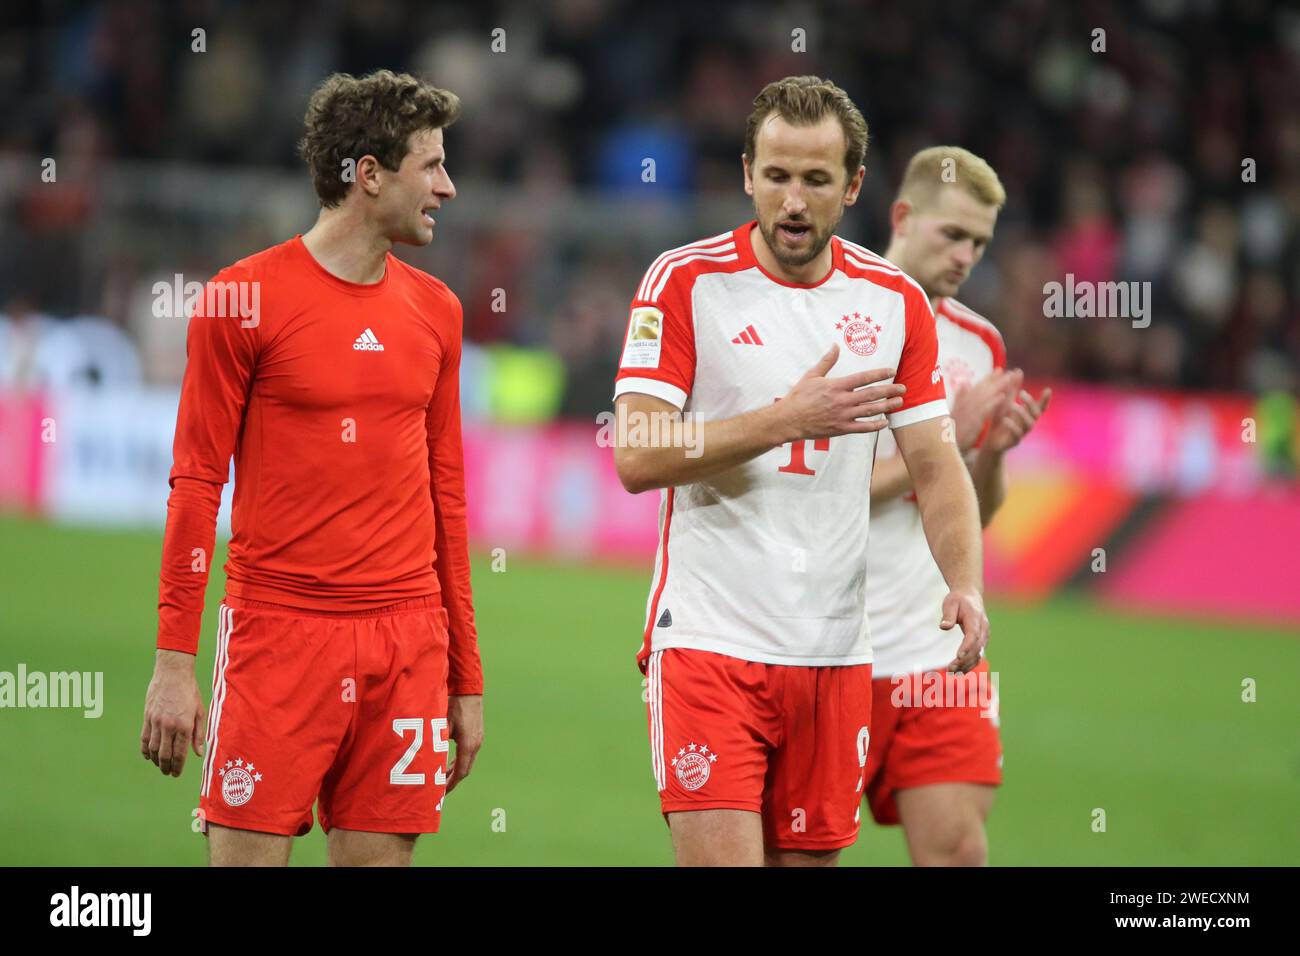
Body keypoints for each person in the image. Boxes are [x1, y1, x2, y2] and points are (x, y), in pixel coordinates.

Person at [612, 76, 989, 867]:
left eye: (816, 180)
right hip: (709, 642)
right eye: (776, 175)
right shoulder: (684, 282)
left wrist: (964, 582)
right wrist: (786, 418)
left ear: (852, 187)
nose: (792, 200)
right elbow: (639, 453)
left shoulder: (893, 303)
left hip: (833, 655)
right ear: (747, 172)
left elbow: (937, 462)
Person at [140, 70, 484, 867]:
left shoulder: (438, 311)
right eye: (430, 166)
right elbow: (195, 484)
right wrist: (172, 662)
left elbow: (449, 497)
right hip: (277, 639)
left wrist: (465, 678)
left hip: (407, 642)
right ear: (369, 174)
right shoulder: (241, 300)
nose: (449, 187)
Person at [861, 146, 1051, 866]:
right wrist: (942, 436)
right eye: (953, 234)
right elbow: (808, 487)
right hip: (824, 646)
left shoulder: (979, 341)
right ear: (904, 216)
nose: (967, 254)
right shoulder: (835, 315)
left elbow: (979, 510)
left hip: (934, 647)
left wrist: (990, 451)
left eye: (980, 241)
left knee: (957, 852)